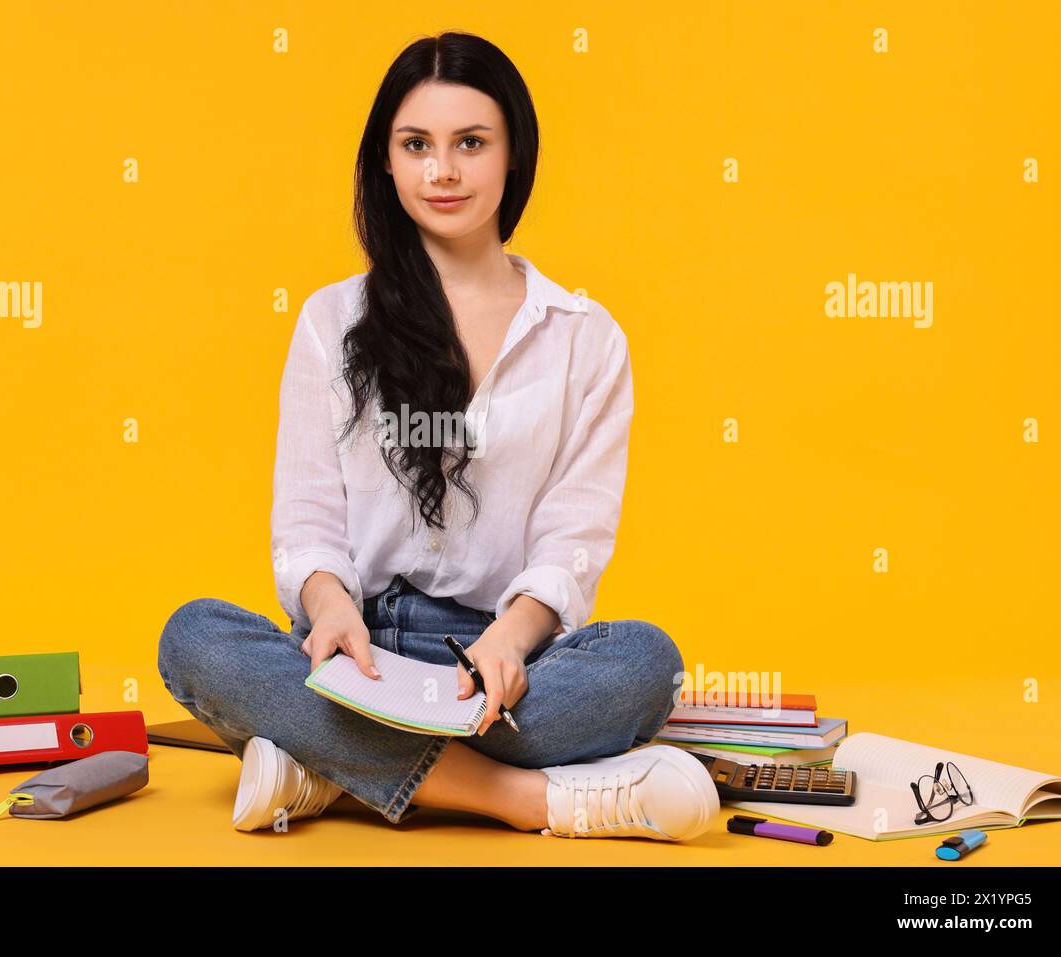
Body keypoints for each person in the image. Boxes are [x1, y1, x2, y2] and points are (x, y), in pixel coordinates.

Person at [157, 31, 719, 840]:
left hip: (497, 660)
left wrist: (509, 640)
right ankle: (521, 797)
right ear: (385, 160)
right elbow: (308, 520)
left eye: (470, 144)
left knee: (646, 664)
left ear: (513, 154)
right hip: (358, 648)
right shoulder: (331, 320)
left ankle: (324, 769)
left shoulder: (584, 336)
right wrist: (328, 607)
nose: (442, 171)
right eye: (416, 144)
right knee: (195, 638)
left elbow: (572, 542)